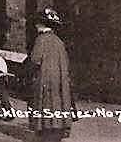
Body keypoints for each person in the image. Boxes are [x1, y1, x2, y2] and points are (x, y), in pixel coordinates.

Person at [27, 8, 74, 142]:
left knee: (44, 104)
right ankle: (57, 128)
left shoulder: (40, 39)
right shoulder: (59, 41)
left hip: (45, 78)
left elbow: (35, 60)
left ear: (42, 24)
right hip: (59, 79)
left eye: (38, 23)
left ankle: (45, 130)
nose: (36, 26)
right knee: (58, 103)